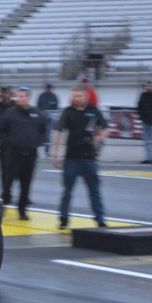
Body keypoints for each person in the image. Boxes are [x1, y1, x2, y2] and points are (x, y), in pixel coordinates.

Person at [52, 83, 109, 230]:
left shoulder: (94, 111)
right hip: (71, 158)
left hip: (89, 158)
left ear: (86, 96)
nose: (77, 98)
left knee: (94, 192)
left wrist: (98, 139)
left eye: (80, 95)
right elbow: (58, 132)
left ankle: (100, 219)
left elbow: (106, 129)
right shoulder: (67, 112)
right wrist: (55, 154)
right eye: (75, 96)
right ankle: (64, 219)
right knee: (67, 192)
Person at [0, 87, 46, 220]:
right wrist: (8, 142)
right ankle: (2, 207)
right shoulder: (9, 113)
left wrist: (38, 142)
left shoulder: (37, 114)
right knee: (7, 183)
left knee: (26, 185)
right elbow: (1, 130)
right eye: (19, 96)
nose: (21, 99)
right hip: (13, 154)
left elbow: (43, 130)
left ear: (29, 98)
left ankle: (22, 211)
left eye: (24, 96)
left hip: (30, 154)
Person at [36, 83, 59, 156]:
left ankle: (47, 150)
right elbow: (38, 106)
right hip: (42, 118)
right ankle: (38, 148)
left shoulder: (54, 97)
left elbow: (56, 108)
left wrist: (53, 115)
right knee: (40, 133)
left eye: (49, 88)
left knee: (48, 134)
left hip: (50, 118)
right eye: (47, 88)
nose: (48, 90)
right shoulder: (41, 96)